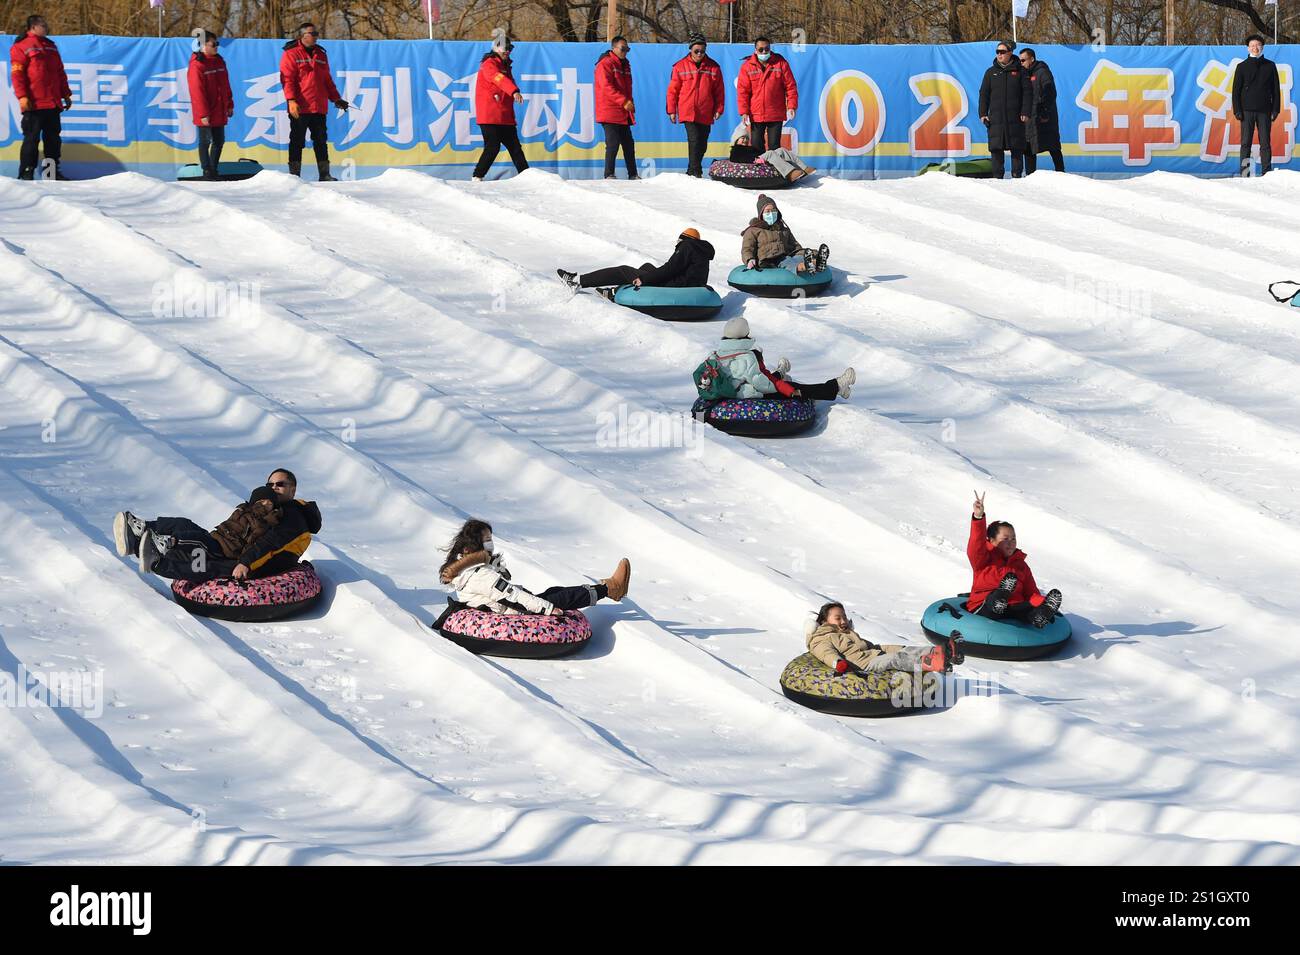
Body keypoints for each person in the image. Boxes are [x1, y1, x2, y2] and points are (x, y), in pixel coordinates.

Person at [113, 469, 323, 583]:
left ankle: (162, 550)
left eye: (280, 484)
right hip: (225, 543)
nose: (274, 488)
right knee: (184, 524)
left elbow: (270, 543)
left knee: (200, 553)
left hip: (242, 560)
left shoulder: (294, 516)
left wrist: (245, 563)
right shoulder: (271, 510)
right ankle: (139, 532)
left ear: (293, 490)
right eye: (270, 485)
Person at [439, 519, 631, 615]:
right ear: (471, 547)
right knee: (561, 597)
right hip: (512, 614)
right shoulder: (479, 574)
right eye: (487, 540)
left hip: (500, 608)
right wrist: (547, 609)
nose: (491, 544)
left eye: (491, 539)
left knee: (554, 591)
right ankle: (611, 588)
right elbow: (512, 596)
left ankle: (606, 589)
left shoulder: (465, 569)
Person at [966, 492, 1062, 629]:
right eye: (1005, 539)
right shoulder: (983, 558)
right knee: (994, 600)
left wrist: (1041, 602)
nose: (1011, 542)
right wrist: (978, 517)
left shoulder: (1021, 565)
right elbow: (975, 545)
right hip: (983, 605)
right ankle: (999, 598)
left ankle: (1039, 615)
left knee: (1025, 607)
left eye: (1013, 539)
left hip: (1011, 607)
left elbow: (1031, 592)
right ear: (992, 541)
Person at [706, 316, 854, 402]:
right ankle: (837, 386)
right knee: (796, 387)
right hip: (747, 396)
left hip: (728, 394)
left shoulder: (716, 354)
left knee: (771, 379)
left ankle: (780, 372)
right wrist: (787, 389)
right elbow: (763, 384)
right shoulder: (747, 357)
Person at [279, 22, 350, 181]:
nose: (316, 36)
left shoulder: (321, 54)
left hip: (318, 107)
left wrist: (336, 98)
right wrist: (291, 100)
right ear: (303, 36)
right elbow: (287, 80)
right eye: (313, 33)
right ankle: (294, 176)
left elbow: (327, 81)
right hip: (300, 107)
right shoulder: (291, 54)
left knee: (321, 141)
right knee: (297, 142)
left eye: (316, 33)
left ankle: (324, 175)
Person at [807, 602, 961, 675]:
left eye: (845, 617)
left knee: (903, 649)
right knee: (895, 658)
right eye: (838, 618)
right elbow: (825, 653)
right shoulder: (821, 638)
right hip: (862, 665)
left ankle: (943, 651)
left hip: (872, 656)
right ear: (824, 621)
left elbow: (872, 647)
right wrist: (838, 663)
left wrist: (900, 647)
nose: (843, 621)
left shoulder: (848, 633)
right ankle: (934, 663)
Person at [557, 227, 714, 299]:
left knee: (624, 270)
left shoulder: (687, 246)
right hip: (686, 284)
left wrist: (645, 279)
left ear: (683, 238)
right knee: (646, 267)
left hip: (677, 287)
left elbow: (670, 269)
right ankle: (616, 290)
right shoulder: (700, 250)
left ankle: (577, 281)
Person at [9, 14, 71, 181]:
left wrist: (65, 94)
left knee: (53, 140)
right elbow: (17, 75)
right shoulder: (21, 46)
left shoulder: (51, 46)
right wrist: (22, 96)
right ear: (33, 27)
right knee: (31, 139)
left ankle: (51, 173)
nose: (46, 27)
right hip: (33, 104)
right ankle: (26, 173)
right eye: (43, 25)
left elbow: (60, 73)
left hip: (53, 102)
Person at [666, 33, 725, 178]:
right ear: (690, 49)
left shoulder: (713, 67)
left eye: (702, 51)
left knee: (702, 143)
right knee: (694, 140)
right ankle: (695, 172)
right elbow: (672, 91)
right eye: (696, 51)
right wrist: (672, 110)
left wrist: (719, 108)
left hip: (705, 111)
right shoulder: (680, 66)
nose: (699, 54)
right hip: (688, 110)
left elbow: (719, 91)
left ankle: (691, 170)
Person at [471, 37, 528, 182]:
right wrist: (514, 91)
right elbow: (498, 79)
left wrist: (513, 91)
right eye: (505, 48)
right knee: (493, 147)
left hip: (505, 115)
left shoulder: (506, 65)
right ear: (496, 48)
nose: (508, 51)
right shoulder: (489, 64)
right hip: (490, 115)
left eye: (510, 48)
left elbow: (505, 81)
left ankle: (527, 175)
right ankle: (477, 176)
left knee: (515, 148)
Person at [978, 41, 1031, 180]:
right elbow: (984, 94)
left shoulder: (1021, 71)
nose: (999, 54)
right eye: (997, 52)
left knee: (1017, 147)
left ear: (1010, 53)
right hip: (995, 118)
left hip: (1015, 118)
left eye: (1002, 52)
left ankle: (1017, 176)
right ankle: (997, 177)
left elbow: (1028, 93)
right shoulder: (990, 72)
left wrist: (1025, 112)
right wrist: (983, 113)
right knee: (996, 148)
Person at [1232, 34, 1282, 177]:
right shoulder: (1241, 66)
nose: (1255, 48)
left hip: (1265, 110)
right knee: (1246, 143)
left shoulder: (1270, 65)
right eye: (1252, 46)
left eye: (1258, 45)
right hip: (1246, 110)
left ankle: (1266, 173)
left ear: (1262, 47)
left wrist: (1275, 109)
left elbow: (1275, 90)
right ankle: (1245, 173)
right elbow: (1235, 91)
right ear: (1248, 48)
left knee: (1265, 143)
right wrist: (1237, 110)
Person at [736, 37, 797, 154]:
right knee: (756, 147)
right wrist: (744, 111)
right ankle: (760, 171)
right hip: (756, 113)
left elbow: (791, 87)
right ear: (755, 50)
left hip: (775, 113)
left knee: (775, 148)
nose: (764, 52)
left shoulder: (781, 64)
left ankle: (774, 171)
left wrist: (792, 105)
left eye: (767, 49)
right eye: (761, 49)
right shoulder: (747, 66)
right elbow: (743, 92)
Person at [741, 194, 829, 275]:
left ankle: (816, 261)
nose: (771, 214)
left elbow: (794, 245)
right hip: (768, 260)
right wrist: (750, 259)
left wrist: (804, 253)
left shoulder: (783, 229)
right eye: (767, 212)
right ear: (761, 214)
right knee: (787, 261)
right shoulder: (753, 231)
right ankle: (804, 266)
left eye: (773, 210)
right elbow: (747, 248)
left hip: (785, 255)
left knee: (798, 257)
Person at [187, 31, 234, 181]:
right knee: (205, 141)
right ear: (202, 46)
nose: (216, 47)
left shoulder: (219, 61)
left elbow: (226, 86)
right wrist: (203, 114)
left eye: (217, 44)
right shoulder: (197, 65)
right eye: (213, 44)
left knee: (219, 141)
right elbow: (197, 92)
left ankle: (214, 168)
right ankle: (206, 169)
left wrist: (229, 104)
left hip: (219, 109)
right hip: (206, 112)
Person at [595, 36, 637, 180]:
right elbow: (606, 87)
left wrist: (629, 103)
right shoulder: (605, 64)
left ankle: (633, 174)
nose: (625, 52)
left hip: (623, 112)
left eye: (627, 49)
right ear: (613, 48)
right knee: (612, 144)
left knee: (628, 145)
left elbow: (627, 88)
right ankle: (609, 174)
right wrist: (624, 101)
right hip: (609, 110)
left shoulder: (625, 64)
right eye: (623, 49)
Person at [1019, 48, 1063, 174]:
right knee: (1028, 146)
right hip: (1030, 117)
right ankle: (1030, 176)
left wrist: (1044, 111)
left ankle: (1061, 172)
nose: (1021, 63)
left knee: (1053, 145)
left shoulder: (1043, 72)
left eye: (1023, 60)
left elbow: (1050, 92)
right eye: (1019, 60)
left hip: (1044, 118)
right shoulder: (1024, 75)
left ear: (1031, 59)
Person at [730, 128, 816, 182]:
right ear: (736, 140)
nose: (745, 140)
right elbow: (737, 158)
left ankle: (804, 168)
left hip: (760, 158)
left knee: (781, 150)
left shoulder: (750, 148)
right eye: (742, 138)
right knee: (770, 153)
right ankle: (790, 173)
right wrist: (753, 159)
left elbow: (760, 153)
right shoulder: (736, 149)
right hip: (753, 161)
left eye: (746, 138)